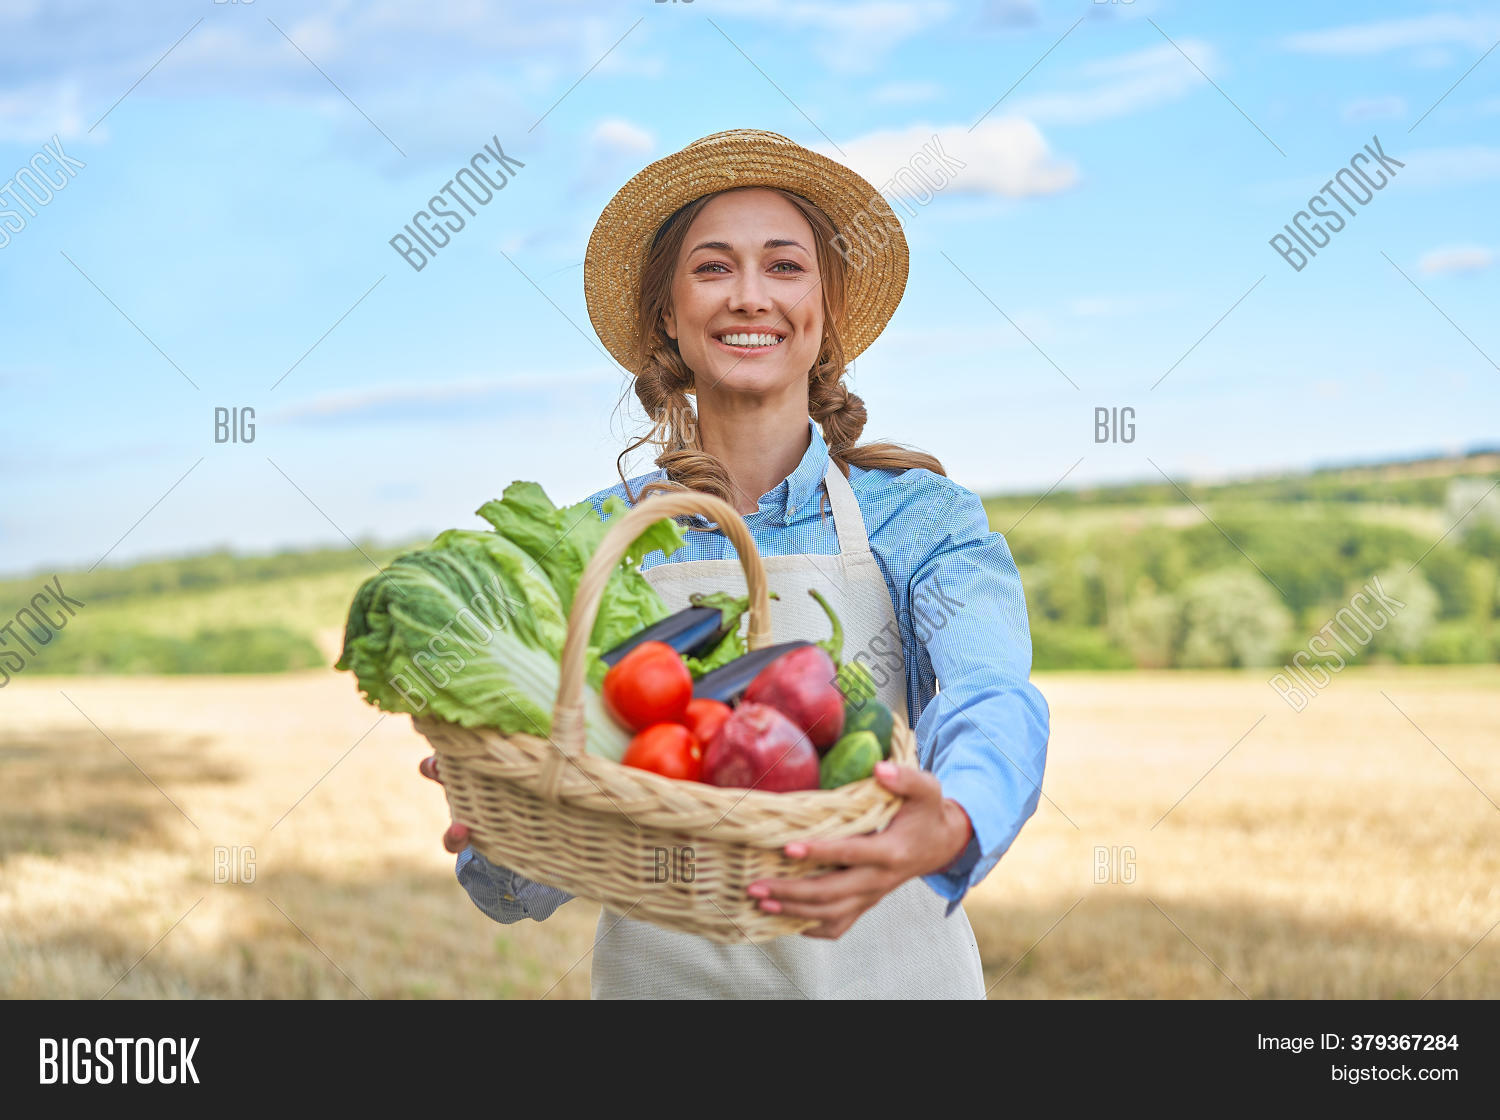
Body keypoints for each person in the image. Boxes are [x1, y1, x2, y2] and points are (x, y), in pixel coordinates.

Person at [419, 128, 1050, 998]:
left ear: (824, 311)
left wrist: (952, 820)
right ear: (668, 317)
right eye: (713, 269)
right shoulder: (595, 542)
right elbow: (525, 873)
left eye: (784, 267)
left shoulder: (918, 517)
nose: (749, 297)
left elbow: (992, 695)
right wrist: (513, 809)